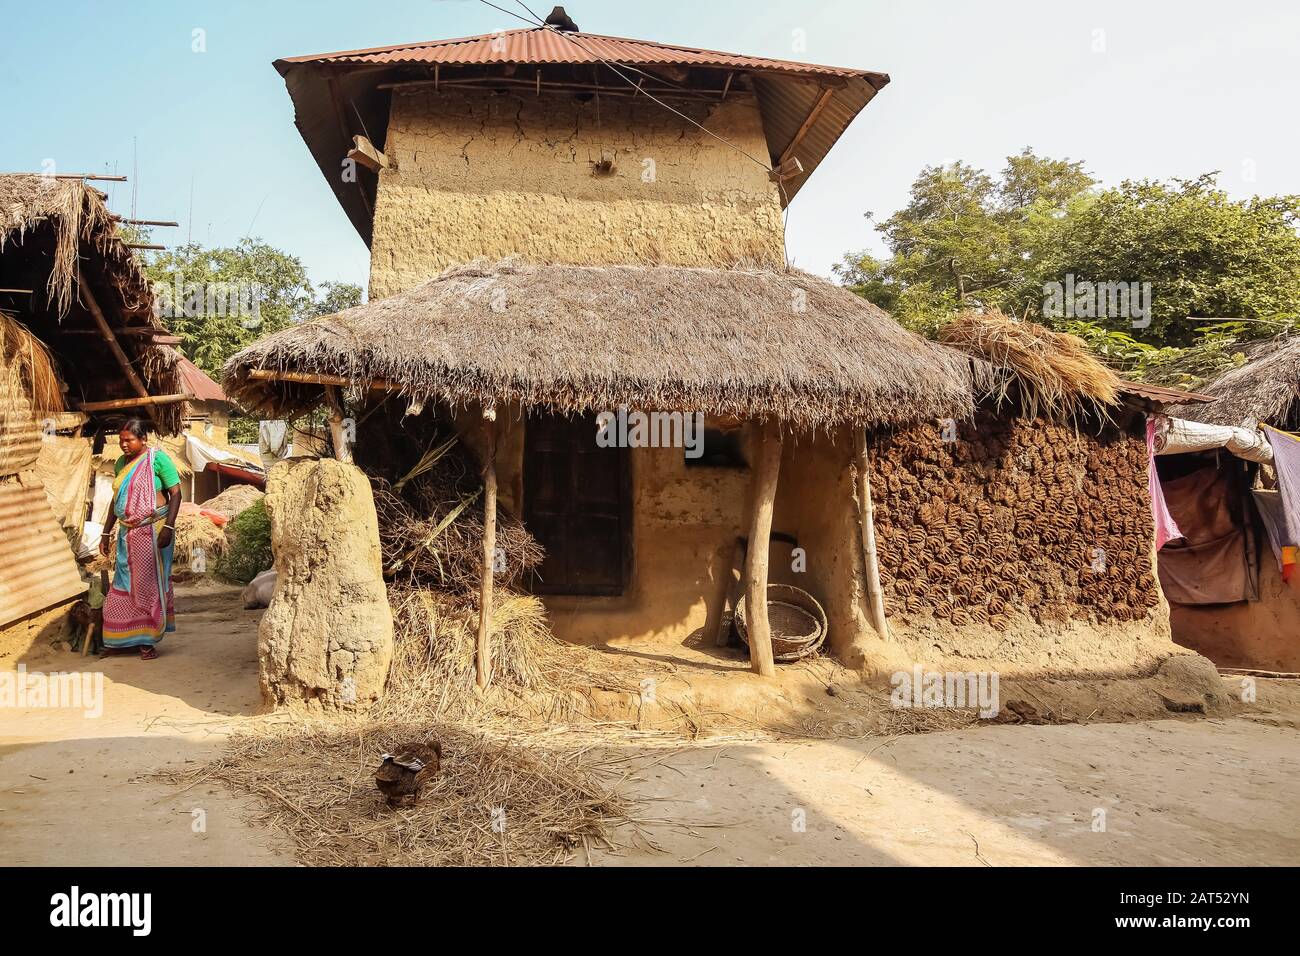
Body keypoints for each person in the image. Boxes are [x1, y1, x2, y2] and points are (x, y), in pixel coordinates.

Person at [99, 419, 182, 659]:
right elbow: (116, 500)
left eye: (129, 440)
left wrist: (168, 526)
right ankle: (123, 639)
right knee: (122, 584)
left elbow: (176, 493)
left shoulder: (157, 459)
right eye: (121, 440)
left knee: (147, 585)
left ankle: (147, 641)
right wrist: (106, 532)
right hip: (127, 532)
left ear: (143, 439)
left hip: (154, 530)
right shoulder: (121, 464)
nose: (123, 445)